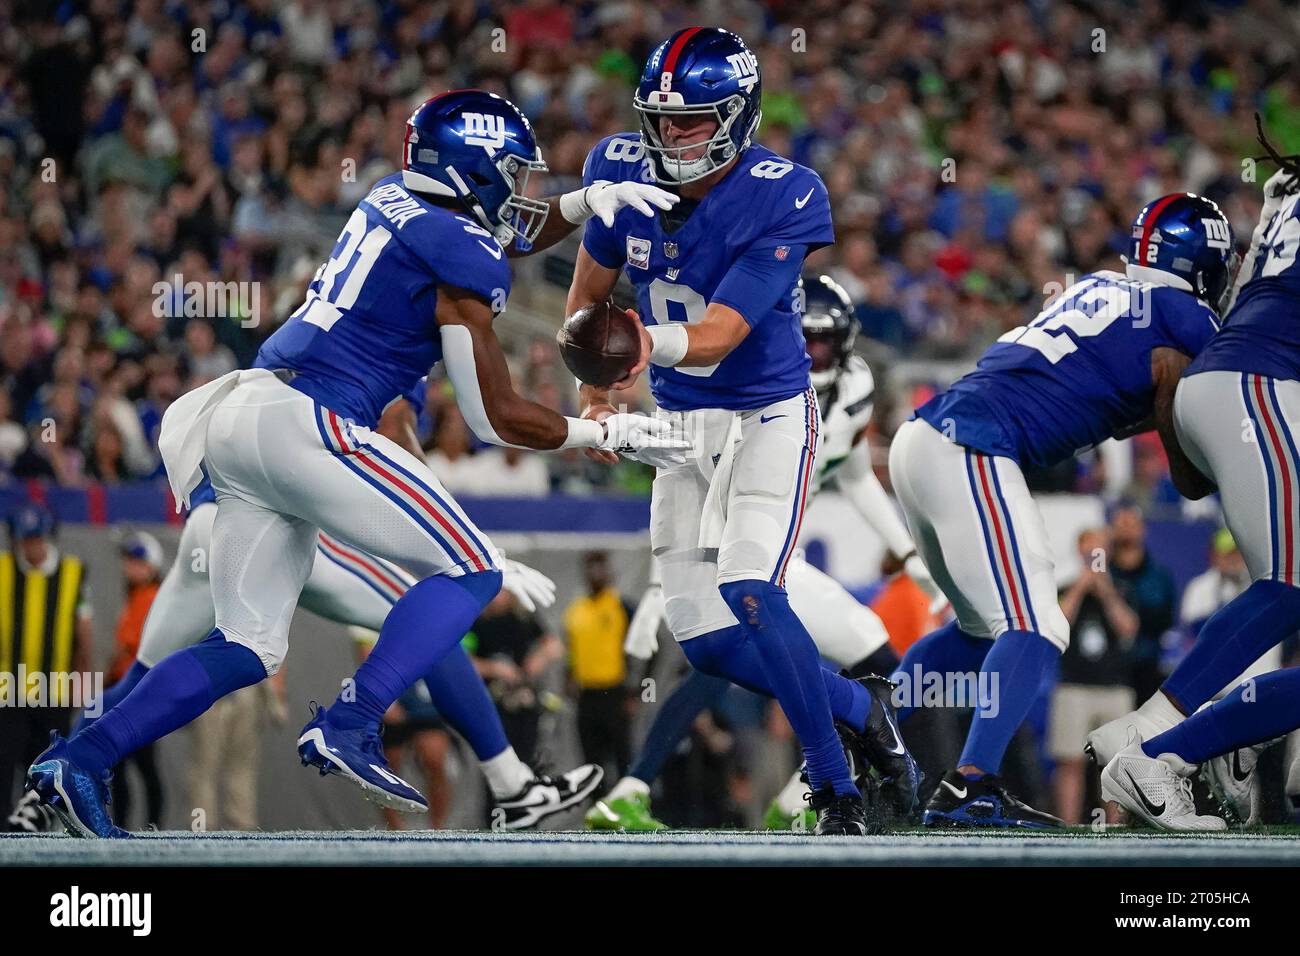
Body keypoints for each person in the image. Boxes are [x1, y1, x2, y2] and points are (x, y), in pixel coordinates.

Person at [26, 88, 687, 838]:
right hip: (315, 424)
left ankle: (80, 758)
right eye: (509, 170)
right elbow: (491, 415)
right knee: (472, 569)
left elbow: (499, 231)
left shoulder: (392, 198)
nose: (520, 186)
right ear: (473, 169)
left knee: (247, 647)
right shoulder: (460, 250)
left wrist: (583, 202)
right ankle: (354, 719)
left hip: (242, 417)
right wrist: (601, 435)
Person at [568, 29, 919, 834]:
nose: (671, 137)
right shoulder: (618, 166)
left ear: (737, 116)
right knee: (711, 645)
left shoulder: (784, 190)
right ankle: (867, 718)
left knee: (753, 590)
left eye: (692, 121)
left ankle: (836, 791)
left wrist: (643, 345)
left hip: (765, 414)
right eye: (662, 119)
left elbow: (723, 330)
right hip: (681, 423)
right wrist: (593, 382)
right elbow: (590, 281)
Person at [890, 192, 1236, 828]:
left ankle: (873, 759)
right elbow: (1191, 473)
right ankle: (972, 786)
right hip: (974, 444)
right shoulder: (1185, 316)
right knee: (1037, 625)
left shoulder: (1105, 287)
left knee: (973, 637)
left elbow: (1089, 391)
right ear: (1204, 268)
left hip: (924, 440)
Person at [587, 277, 939, 832]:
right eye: (806, 337)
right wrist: (662, 581)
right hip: (737, 536)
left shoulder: (849, 390)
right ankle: (646, 786)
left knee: (860, 654)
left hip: (774, 546)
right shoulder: (751, 377)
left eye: (824, 341)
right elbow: (695, 463)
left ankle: (806, 791)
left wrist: (908, 553)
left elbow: (851, 473)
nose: (813, 350)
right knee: (715, 655)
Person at [1095, 160, 1300, 831]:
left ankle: (1228, 739)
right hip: (1262, 384)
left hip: (1237, 382)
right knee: (1289, 584)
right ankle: (1156, 746)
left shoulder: (1282, 195)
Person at [1, 504, 91, 832]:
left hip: (54, 689)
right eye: (25, 539)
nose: (30, 547)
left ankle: (42, 830)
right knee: (5, 763)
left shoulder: (72, 573)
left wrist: (82, 682)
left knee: (46, 768)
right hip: (8, 689)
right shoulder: (4, 569)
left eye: (36, 538)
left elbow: (84, 635)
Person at [1048, 528, 1137, 825]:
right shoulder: (1065, 586)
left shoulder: (1122, 587)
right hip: (1074, 686)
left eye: (1099, 552)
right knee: (1070, 762)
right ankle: (1069, 827)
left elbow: (1128, 629)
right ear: (1080, 553)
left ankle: (1114, 829)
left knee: (1114, 764)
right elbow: (1057, 625)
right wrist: (1080, 587)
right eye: (1089, 553)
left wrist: (1107, 592)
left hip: (1113, 687)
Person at [108, 531, 166, 830]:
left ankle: (147, 826)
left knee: (139, 765)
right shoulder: (138, 595)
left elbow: (127, 647)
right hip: (136, 691)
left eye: (137, 561)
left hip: (136, 691)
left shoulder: (149, 597)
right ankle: (143, 826)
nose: (129, 566)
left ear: (151, 567)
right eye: (129, 560)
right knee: (133, 766)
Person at [564, 551, 636, 786]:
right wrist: (569, 680)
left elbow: (648, 648)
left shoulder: (622, 607)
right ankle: (596, 812)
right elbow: (571, 652)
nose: (595, 574)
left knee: (623, 757)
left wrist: (638, 689)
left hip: (615, 693)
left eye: (600, 568)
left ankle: (627, 810)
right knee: (591, 762)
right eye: (590, 569)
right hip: (587, 695)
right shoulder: (576, 610)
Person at [1105, 503, 1176, 702]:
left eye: (1132, 523)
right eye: (1121, 523)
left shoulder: (1159, 576)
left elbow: (1164, 619)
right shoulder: (1104, 572)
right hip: (1105, 668)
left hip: (1146, 666)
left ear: (1143, 529)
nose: (1126, 527)